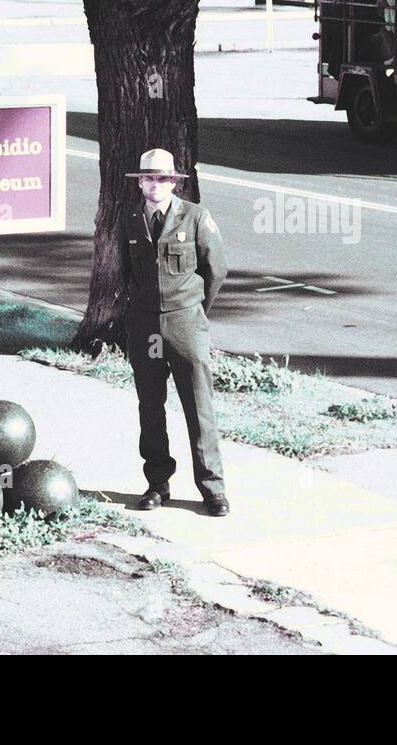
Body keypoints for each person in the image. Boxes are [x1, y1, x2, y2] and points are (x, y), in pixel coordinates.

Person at [119, 148, 230, 517]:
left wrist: (195, 312)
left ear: (173, 182)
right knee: (150, 406)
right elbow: (124, 271)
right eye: (148, 178)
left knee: (199, 407)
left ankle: (213, 489)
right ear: (141, 182)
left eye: (162, 178)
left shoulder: (195, 217)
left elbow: (216, 268)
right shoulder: (131, 219)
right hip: (146, 324)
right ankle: (157, 484)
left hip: (185, 323)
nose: (155, 184)